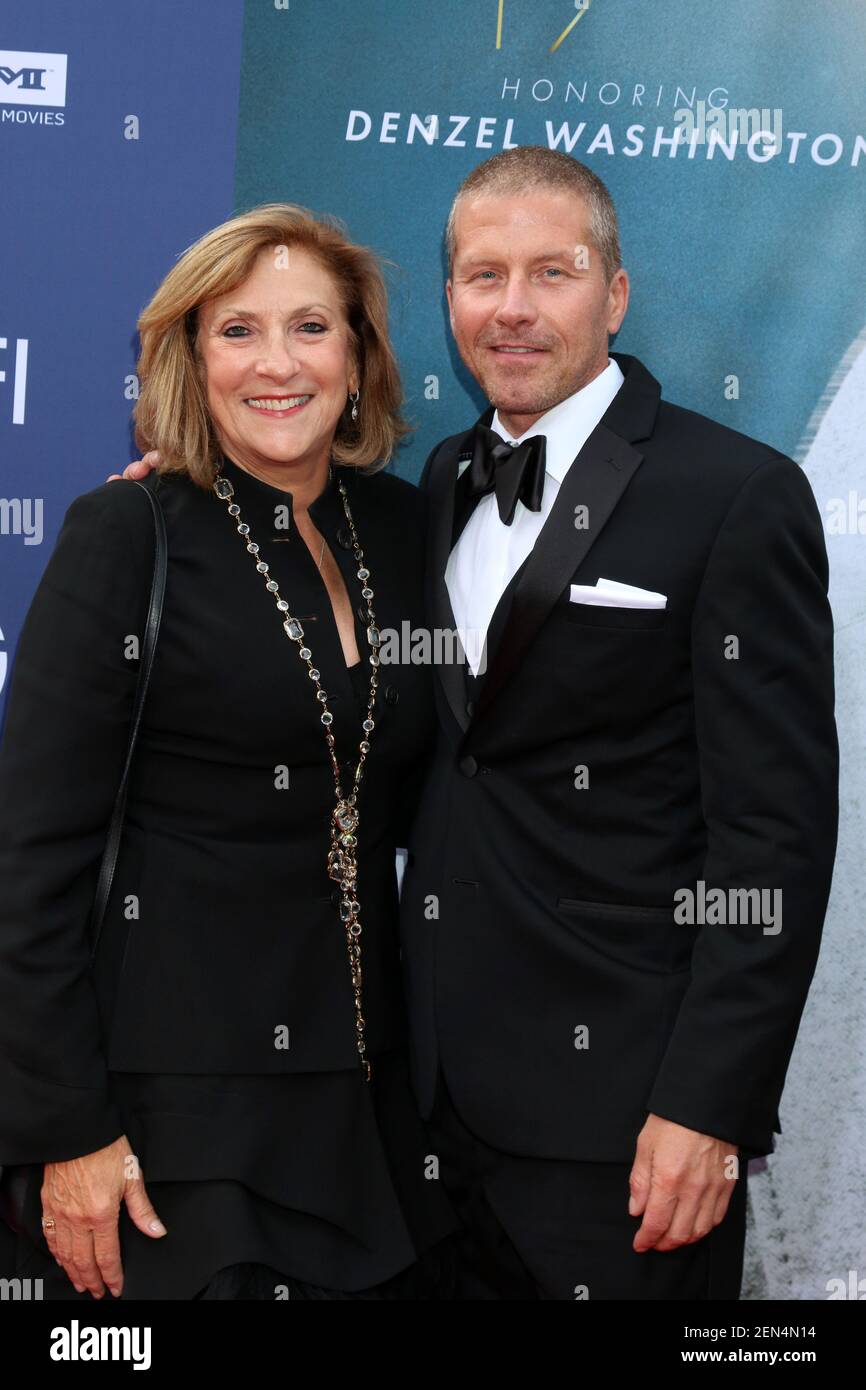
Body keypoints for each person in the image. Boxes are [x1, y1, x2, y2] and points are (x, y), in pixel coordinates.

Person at [397, 147, 839, 1299]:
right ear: (446, 301)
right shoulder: (443, 475)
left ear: (615, 292)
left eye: (553, 271)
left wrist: (707, 1102)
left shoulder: (733, 494)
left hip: (629, 1128)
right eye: (482, 275)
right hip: (429, 1110)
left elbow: (773, 838)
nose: (512, 307)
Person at [0, 203, 458, 1300]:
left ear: (357, 357)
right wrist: (68, 1134)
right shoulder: (132, 533)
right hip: (171, 1116)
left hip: (365, 1099)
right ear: (188, 359)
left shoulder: (401, 529)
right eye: (237, 332)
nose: (276, 363)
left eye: (310, 327)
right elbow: (29, 861)